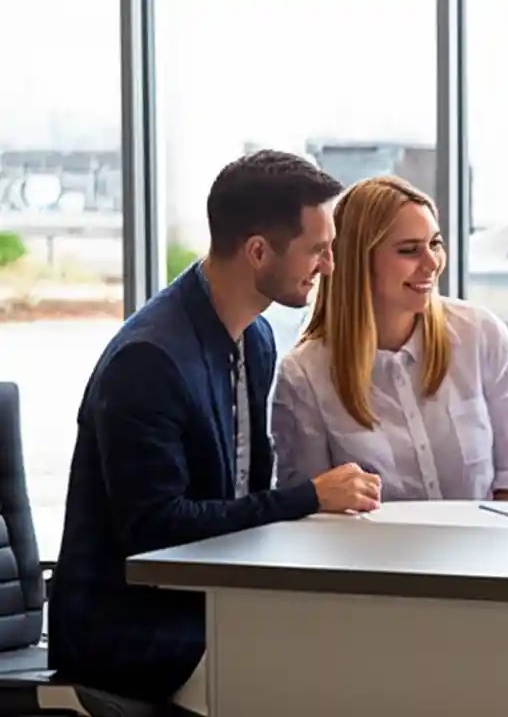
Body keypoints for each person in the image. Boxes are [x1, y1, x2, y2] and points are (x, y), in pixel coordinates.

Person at [48, 150, 383, 709]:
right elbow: (157, 528)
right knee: (319, 679)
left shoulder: (255, 340)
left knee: (355, 646)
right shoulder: (150, 361)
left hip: (210, 604)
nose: (328, 265)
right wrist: (305, 498)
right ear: (258, 251)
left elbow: (239, 498)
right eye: (318, 250)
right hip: (131, 633)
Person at [272, 175, 508, 502]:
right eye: (409, 250)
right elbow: (309, 513)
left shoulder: (482, 336)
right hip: (369, 554)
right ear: (358, 261)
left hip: (484, 550)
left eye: (435, 244)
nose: (432, 263)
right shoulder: (304, 376)